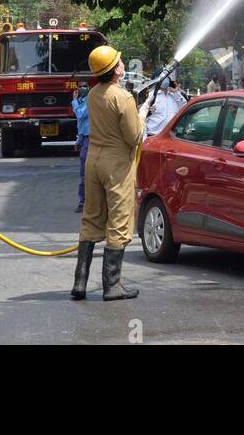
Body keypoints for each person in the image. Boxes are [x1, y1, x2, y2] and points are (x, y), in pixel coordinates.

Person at [72, 44, 151, 302]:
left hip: (93, 160)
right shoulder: (123, 98)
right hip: (116, 164)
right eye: (120, 61)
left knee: (91, 219)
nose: (123, 63)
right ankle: (112, 285)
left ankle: (80, 283)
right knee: (118, 221)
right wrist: (142, 112)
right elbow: (134, 136)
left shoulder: (94, 93)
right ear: (116, 70)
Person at [145, 72, 185, 137]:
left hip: (172, 137)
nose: (165, 79)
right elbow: (143, 119)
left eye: (166, 76)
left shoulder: (174, 95)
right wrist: (144, 140)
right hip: (153, 137)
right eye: (162, 76)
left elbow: (184, 108)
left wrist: (176, 93)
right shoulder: (151, 96)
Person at [72, 85, 91, 212]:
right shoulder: (80, 102)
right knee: (83, 173)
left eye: (85, 85)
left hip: (91, 139)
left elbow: (80, 115)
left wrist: (74, 101)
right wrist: (78, 140)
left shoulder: (90, 100)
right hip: (84, 138)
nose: (82, 88)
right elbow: (81, 124)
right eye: (80, 86)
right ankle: (83, 201)